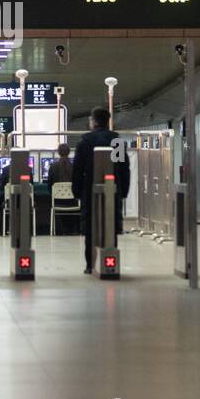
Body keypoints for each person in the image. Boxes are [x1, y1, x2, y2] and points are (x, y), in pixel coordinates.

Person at [70, 107, 130, 274]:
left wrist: (77, 191)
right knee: (111, 224)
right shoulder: (116, 142)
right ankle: (110, 259)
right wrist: (123, 190)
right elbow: (123, 168)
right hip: (113, 190)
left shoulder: (85, 142)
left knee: (90, 227)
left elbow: (78, 170)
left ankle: (90, 265)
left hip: (90, 191)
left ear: (94, 121)